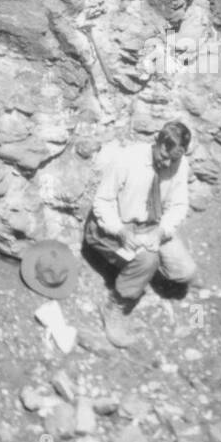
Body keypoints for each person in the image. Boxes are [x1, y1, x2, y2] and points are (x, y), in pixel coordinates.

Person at [83, 120, 197, 346]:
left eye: (173, 160)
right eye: (164, 156)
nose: (167, 164)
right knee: (148, 259)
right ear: (157, 140)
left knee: (186, 272)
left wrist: (162, 231)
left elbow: (178, 206)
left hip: (151, 226)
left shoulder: (179, 165)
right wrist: (120, 230)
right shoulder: (127, 160)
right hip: (114, 227)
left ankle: (141, 272)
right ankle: (115, 305)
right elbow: (102, 202)